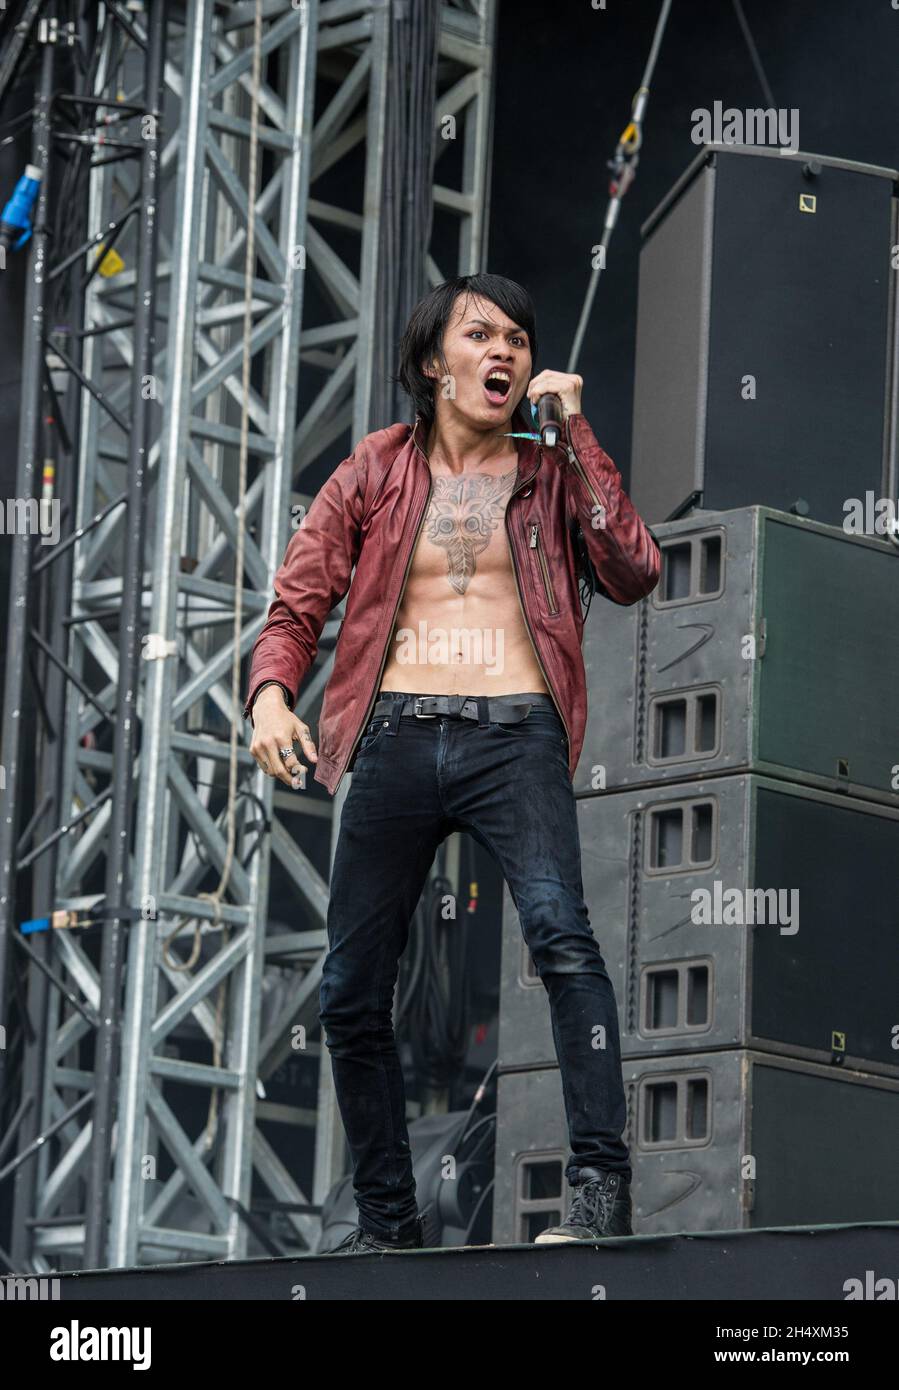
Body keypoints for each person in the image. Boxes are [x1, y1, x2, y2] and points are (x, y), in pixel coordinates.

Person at [245, 273, 660, 1253]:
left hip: (513, 730)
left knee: (562, 937)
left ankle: (599, 1193)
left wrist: (574, 430)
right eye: (481, 334)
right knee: (350, 986)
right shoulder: (373, 469)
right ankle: (390, 1222)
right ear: (435, 361)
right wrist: (267, 693)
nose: (504, 352)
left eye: (518, 337)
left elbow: (631, 565)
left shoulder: (550, 463)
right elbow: (297, 602)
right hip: (393, 734)